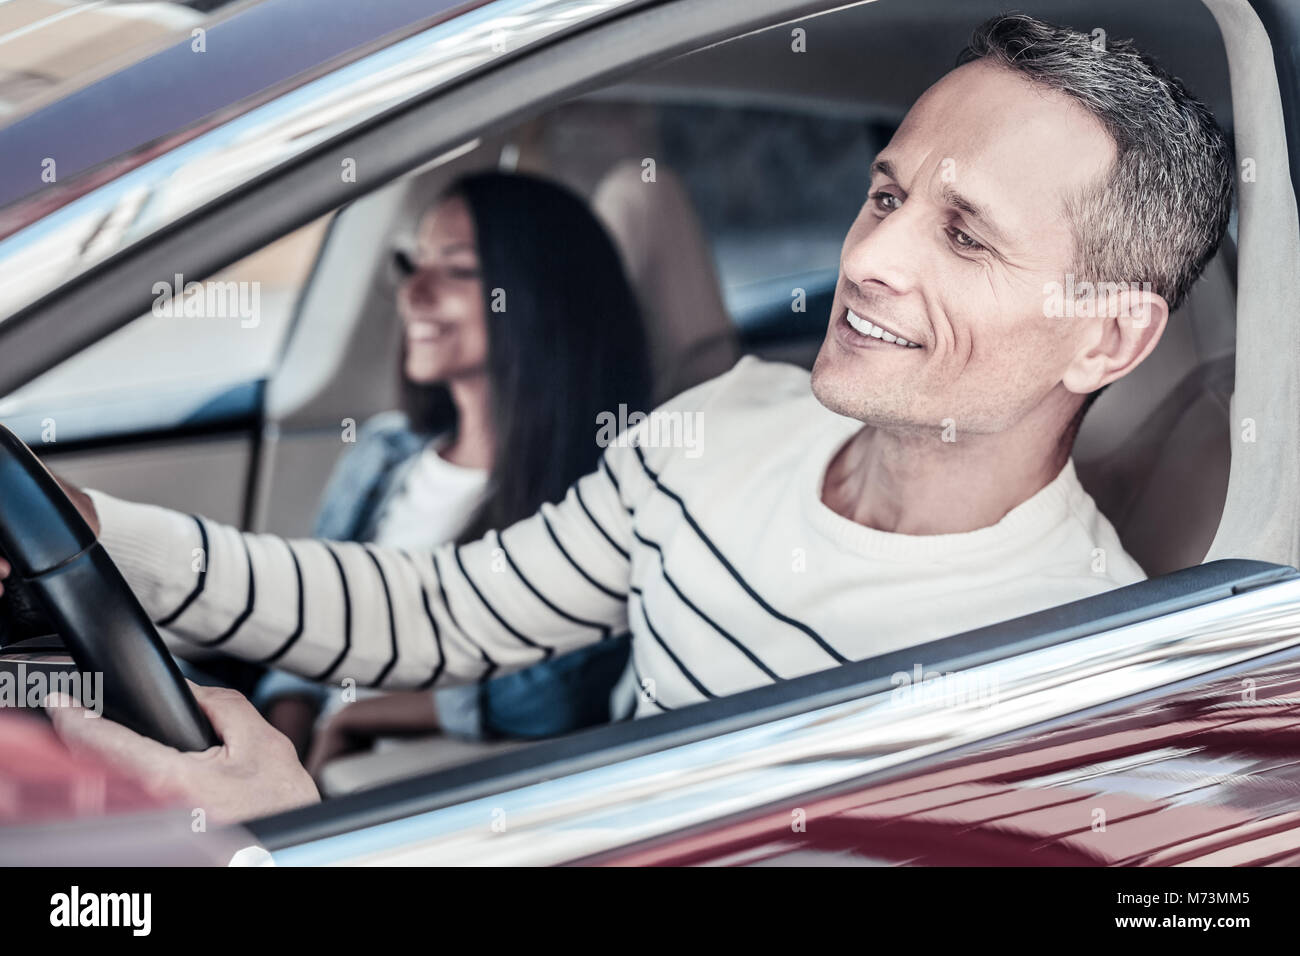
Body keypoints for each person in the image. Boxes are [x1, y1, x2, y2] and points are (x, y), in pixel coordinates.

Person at [4, 14, 1235, 821]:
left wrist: (288, 843)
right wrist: (99, 530)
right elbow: (435, 612)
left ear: (1107, 336)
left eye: (962, 235)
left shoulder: (1082, 670)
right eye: (885, 194)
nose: (869, 257)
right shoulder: (734, 422)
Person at [256, 171, 653, 768]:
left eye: (457, 269)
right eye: (411, 263)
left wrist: (371, 715)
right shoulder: (382, 454)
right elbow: (302, 626)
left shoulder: (607, 489)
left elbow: (571, 685)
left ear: (538, 295)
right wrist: (285, 759)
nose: (412, 294)